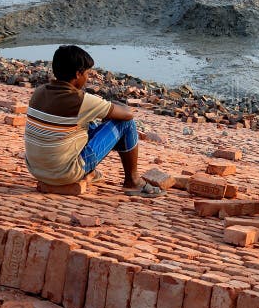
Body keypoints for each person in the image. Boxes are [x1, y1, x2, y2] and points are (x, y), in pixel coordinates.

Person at [25, 45, 162, 197]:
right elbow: (127, 114)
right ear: (78, 74)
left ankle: (87, 173)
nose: (88, 78)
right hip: (64, 173)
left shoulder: (39, 92)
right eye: (87, 73)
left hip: (37, 170)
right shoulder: (80, 101)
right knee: (125, 124)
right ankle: (133, 181)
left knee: (88, 123)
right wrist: (112, 104)